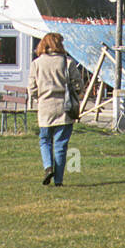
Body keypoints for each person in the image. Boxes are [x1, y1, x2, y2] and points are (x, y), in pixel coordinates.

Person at [27, 32, 83, 187]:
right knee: (60, 144)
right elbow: (79, 85)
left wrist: (39, 97)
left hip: (45, 108)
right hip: (64, 109)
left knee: (44, 140)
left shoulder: (36, 64)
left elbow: (31, 88)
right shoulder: (67, 62)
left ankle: (48, 166)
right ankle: (58, 180)